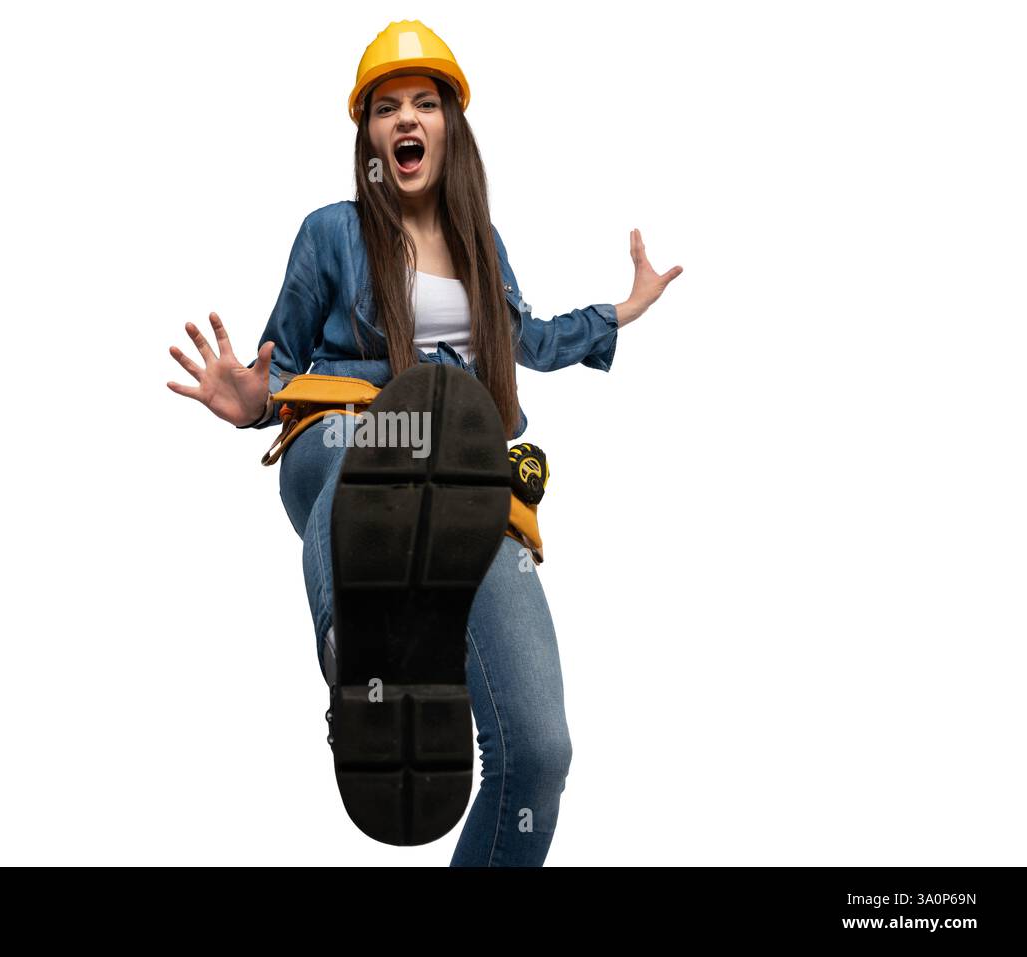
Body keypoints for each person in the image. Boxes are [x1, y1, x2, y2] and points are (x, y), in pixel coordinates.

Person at [167, 19, 681, 866]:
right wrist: (253, 400)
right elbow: (279, 362)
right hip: (343, 433)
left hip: (466, 482)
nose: (406, 120)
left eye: (425, 104)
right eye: (386, 108)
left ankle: (417, 617)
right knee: (376, 448)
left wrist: (619, 312)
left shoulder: (484, 246)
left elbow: (530, 339)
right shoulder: (331, 231)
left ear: (450, 127)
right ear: (369, 136)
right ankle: (358, 643)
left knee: (539, 753)